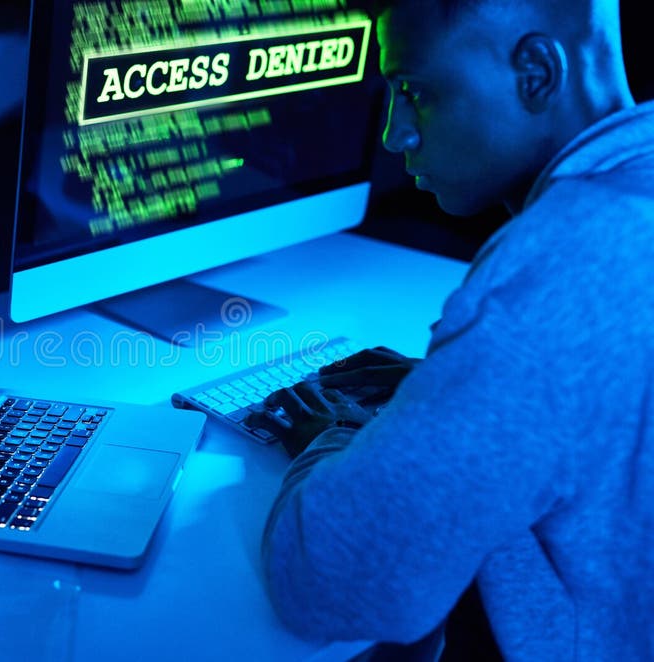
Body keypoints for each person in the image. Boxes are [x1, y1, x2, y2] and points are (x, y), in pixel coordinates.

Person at [253, 0, 654, 659]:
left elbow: (327, 580)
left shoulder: (552, 268)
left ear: (534, 73)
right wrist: (449, 395)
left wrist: (333, 434)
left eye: (414, 91)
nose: (394, 134)